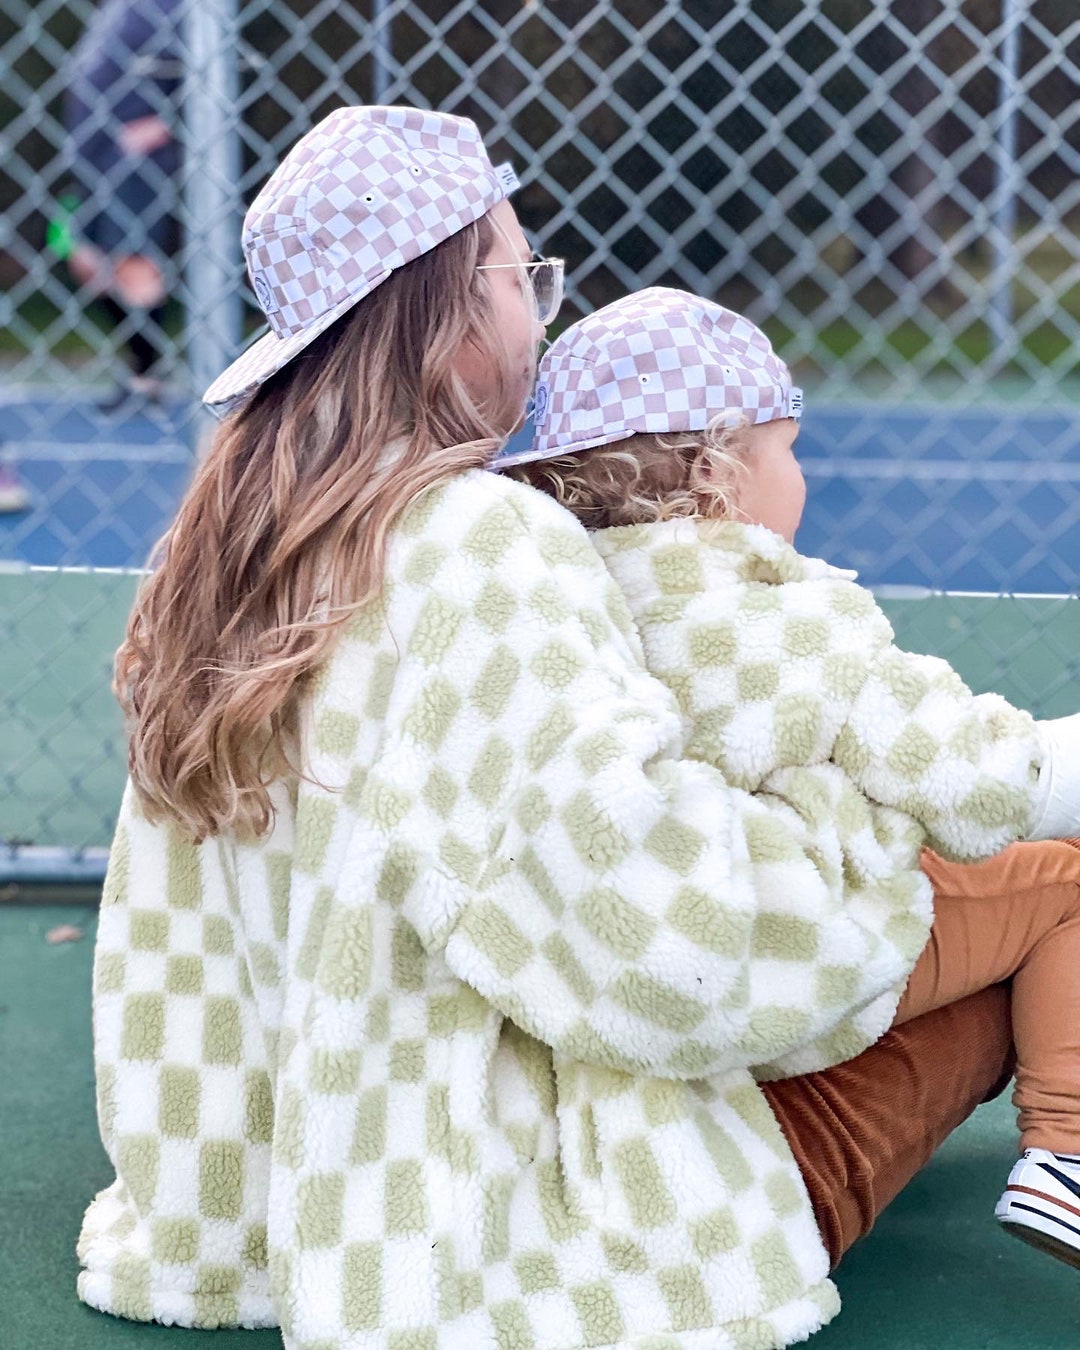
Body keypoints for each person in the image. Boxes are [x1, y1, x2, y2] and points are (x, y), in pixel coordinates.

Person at [77, 107, 1075, 1350]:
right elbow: (664, 945)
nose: (538, 310)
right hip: (517, 1232)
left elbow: (176, 965)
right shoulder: (476, 546)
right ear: (446, 313)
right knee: (1032, 908)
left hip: (270, 1210)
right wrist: (861, 848)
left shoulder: (219, 552)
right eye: (518, 272)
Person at [499, 284, 1080, 1266]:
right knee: (1062, 881)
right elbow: (976, 783)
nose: (801, 475)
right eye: (788, 449)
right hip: (790, 957)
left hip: (643, 972)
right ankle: (1065, 1150)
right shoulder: (786, 620)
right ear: (722, 474)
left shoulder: (564, 598)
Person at [59, 0, 183, 410]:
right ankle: (143, 367)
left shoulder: (167, 5)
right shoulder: (118, 9)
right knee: (85, 259)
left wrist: (169, 119)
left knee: (133, 261)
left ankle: (145, 378)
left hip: (134, 161)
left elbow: (206, 67)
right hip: (94, 160)